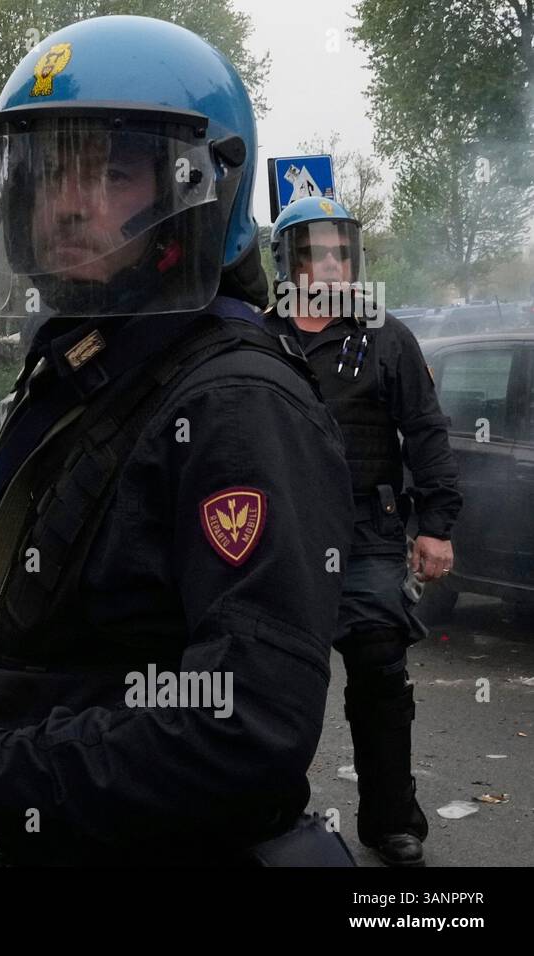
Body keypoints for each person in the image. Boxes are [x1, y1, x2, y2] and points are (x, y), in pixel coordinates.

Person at [0, 14, 357, 866]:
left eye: (112, 170)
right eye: (47, 173)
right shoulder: (90, 363)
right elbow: (18, 532)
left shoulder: (237, 404)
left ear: (200, 187)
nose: (68, 201)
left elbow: (245, 724)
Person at [263, 195, 462, 866]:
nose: (331, 262)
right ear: (288, 260)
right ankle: (270, 815)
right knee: (272, 682)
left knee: (380, 678)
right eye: (316, 250)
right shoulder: (258, 336)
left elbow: (426, 432)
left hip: (367, 535)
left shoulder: (386, 336)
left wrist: (435, 524)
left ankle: (390, 820)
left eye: (341, 249)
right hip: (277, 541)